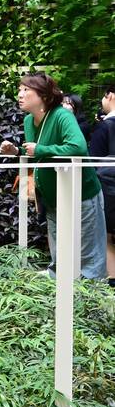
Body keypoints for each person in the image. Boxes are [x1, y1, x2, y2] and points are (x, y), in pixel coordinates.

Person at [0, 73, 106, 279]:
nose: (19, 95)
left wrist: (39, 149)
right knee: (59, 248)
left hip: (80, 194)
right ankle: (57, 290)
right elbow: (40, 154)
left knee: (88, 254)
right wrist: (17, 152)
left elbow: (77, 146)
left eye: (25, 90)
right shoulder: (30, 121)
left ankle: (92, 300)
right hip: (53, 197)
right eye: (19, 90)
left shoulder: (61, 115)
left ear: (45, 96)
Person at [88, 80, 115, 286]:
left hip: (109, 188)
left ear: (111, 96)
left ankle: (111, 284)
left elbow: (93, 160)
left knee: (106, 236)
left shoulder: (105, 126)